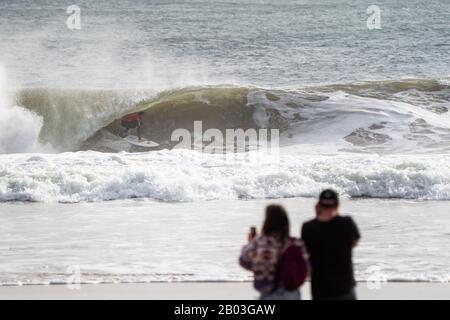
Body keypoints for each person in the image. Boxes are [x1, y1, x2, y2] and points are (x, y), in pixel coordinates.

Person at [301, 189, 360, 300]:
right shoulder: (347, 223)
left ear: (318, 205)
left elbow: (305, 252)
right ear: (338, 204)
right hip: (344, 287)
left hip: (320, 289)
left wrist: (317, 215)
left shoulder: (308, 227)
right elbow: (354, 243)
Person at [239, 205, 308, 300]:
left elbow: (244, 261)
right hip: (293, 294)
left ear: (267, 222)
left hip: (269, 293)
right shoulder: (296, 243)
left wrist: (251, 243)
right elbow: (307, 268)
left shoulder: (261, 243)